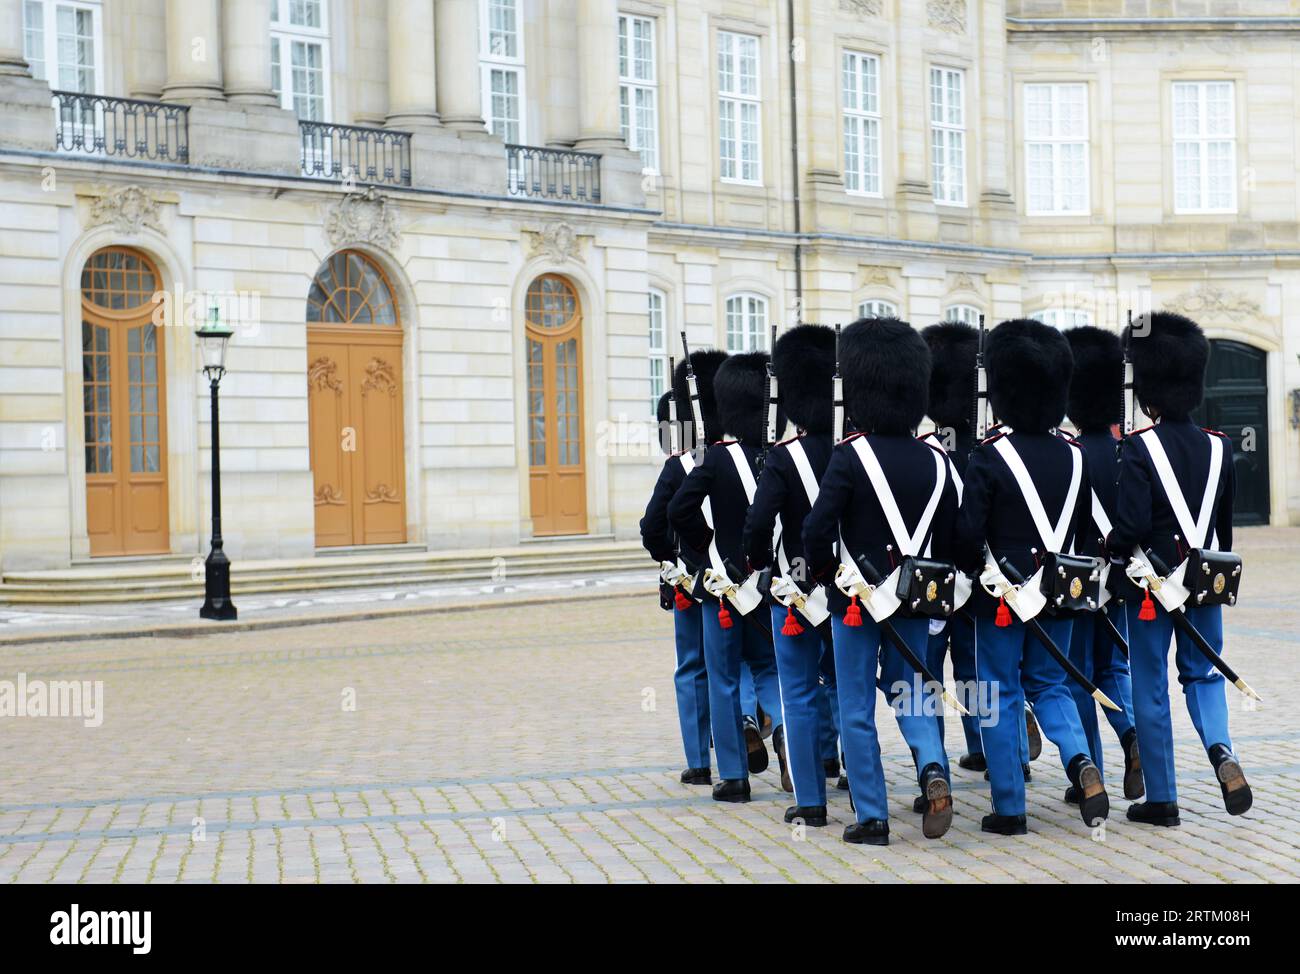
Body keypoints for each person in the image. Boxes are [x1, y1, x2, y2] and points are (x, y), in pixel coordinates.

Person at [803, 317, 956, 845]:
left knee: (855, 708)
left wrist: (826, 575)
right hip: (916, 598)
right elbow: (955, 535)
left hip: (856, 601)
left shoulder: (850, 455)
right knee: (911, 693)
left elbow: (816, 529)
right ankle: (933, 768)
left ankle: (872, 816)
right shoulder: (938, 461)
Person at [956, 318, 1110, 835]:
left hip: (1001, 596)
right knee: (1052, 685)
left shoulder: (989, 455)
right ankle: (1080, 760)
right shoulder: (1075, 454)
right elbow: (1088, 531)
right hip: (1060, 590)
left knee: (999, 692)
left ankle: (1010, 807)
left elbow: (967, 533)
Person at [1110, 311, 1251, 827]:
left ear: (1148, 392)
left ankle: (1163, 799)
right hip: (1207, 578)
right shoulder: (1221, 445)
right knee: (1204, 675)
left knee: (1149, 685)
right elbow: (1224, 527)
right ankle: (1221, 752)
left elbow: (1128, 527)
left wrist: (1112, 552)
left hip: (1150, 584)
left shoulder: (1138, 447)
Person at [669, 352, 786, 803]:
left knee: (723, 679)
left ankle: (735, 777)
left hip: (723, 589)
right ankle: (785, 740)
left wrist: (706, 546)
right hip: (771, 585)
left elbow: (680, 511)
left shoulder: (716, 460)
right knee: (770, 670)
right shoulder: (781, 458)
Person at [743, 324, 837, 826]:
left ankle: (812, 800)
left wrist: (758, 562)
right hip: (853, 589)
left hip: (798, 589)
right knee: (852, 689)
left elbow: (760, 524)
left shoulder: (784, 457)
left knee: (798, 692)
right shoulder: (855, 450)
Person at [1060, 325, 1143, 805]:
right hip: (1119, 579)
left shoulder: (1068, 453)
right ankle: (1132, 735)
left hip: (1077, 581)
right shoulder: (1126, 451)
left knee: (1076, 678)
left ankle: (1089, 774)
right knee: (1114, 669)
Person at [639, 350, 726, 786]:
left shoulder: (680, 466)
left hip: (692, 581)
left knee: (692, 666)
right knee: (742, 666)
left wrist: (671, 561)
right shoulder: (746, 459)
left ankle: (699, 761)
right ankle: (748, 728)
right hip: (742, 580)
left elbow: (652, 525)